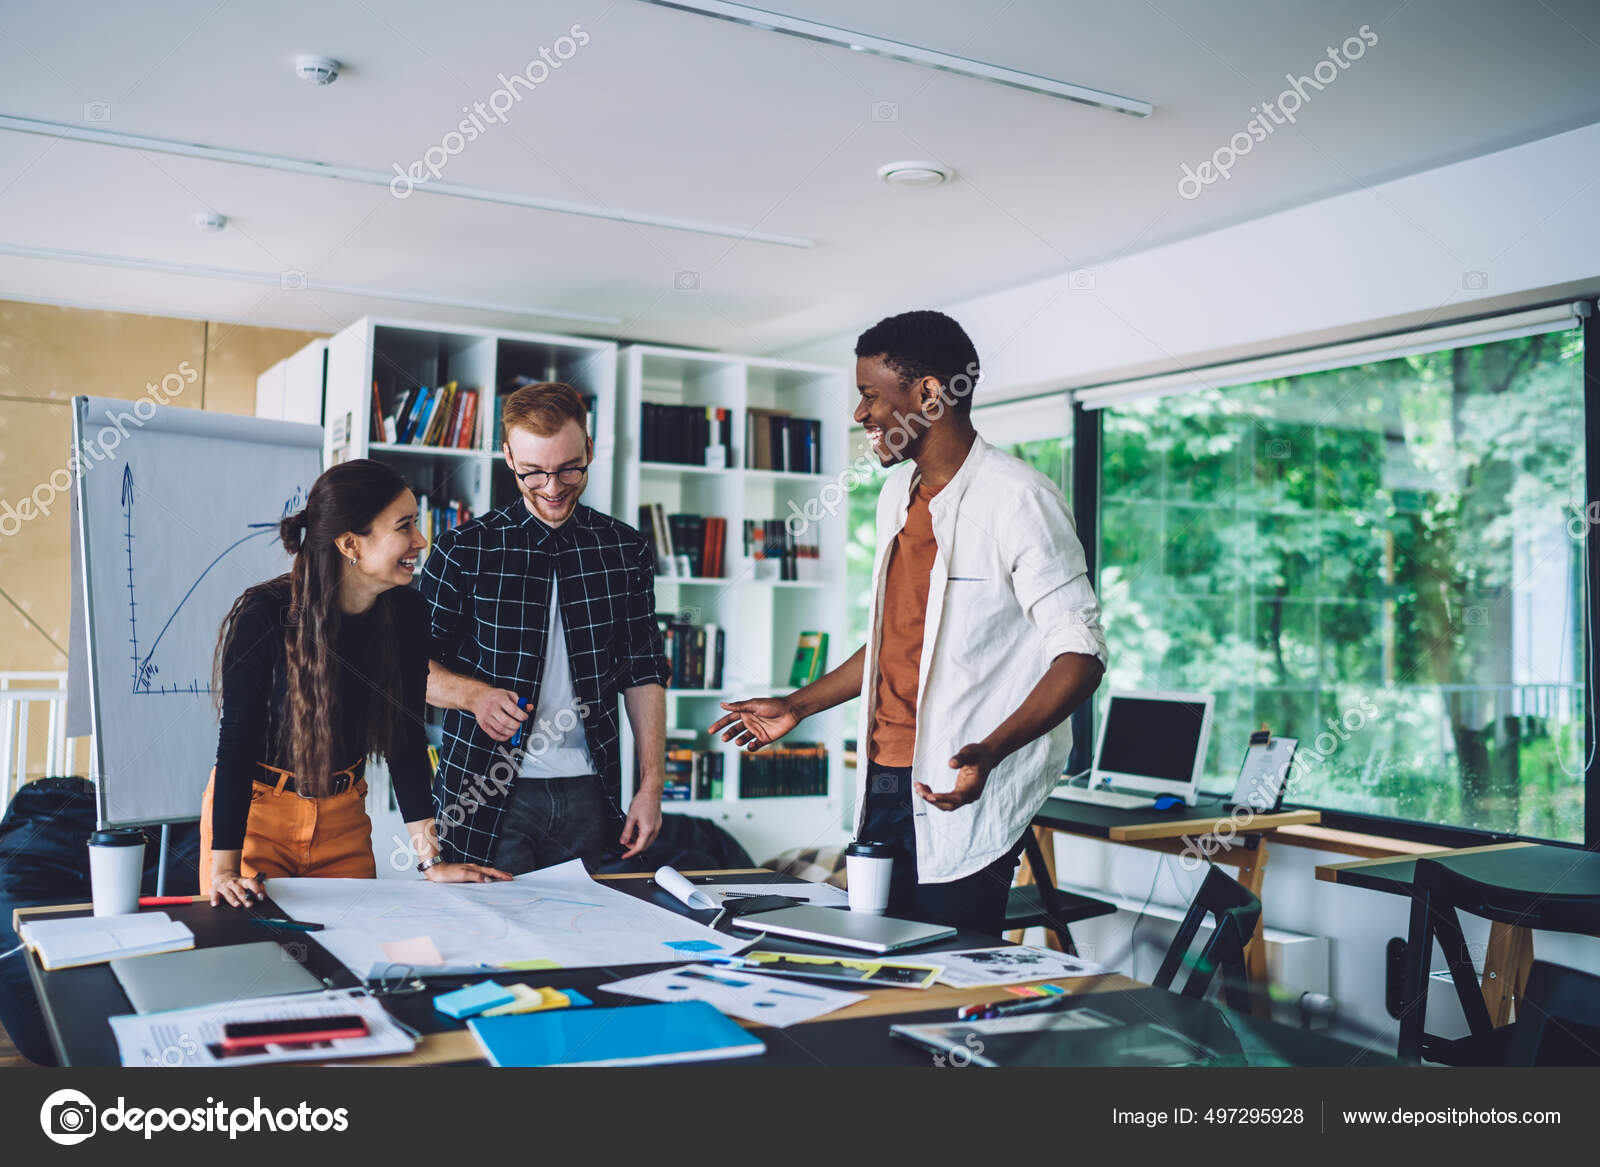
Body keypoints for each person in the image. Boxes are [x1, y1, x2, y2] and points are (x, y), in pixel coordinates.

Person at [712, 310, 1107, 936]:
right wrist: (798, 704)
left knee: (946, 974)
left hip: (960, 783)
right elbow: (901, 643)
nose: (860, 414)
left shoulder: (1019, 500)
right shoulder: (899, 495)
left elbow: (1080, 654)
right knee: (874, 960)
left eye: (871, 395)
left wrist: (992, 749)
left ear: (928, 393)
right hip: (884, 780)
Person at [203, 459, 510, 908]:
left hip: (343, 820)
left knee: (355, 957)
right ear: (351, 544)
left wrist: (430, 861)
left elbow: (405, 739)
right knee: (258, 958)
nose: (421, 541)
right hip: (257, 822)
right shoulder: (263, 616)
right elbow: (236, 745)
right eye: (404, 527)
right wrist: (225, 871)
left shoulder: (407, 612)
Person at [421, 381, 670, 873]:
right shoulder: (462, 550)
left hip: (589, 789)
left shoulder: (625, 550)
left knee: (584, 938)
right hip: (482, 789)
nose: (553, 488)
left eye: (569, 469)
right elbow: (407, 668)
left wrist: (651, 786)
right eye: (534, 472)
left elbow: (642, 673)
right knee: (488, 941)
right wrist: (472, 695)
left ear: (590, 450)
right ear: (509, 456)